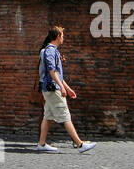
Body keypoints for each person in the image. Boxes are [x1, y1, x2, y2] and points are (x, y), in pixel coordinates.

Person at [36, 25, 96, 153]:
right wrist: (62, 87)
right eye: (62, 36)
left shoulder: (53, 51)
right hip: (52, 88)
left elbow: (57, 73)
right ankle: (80, 144)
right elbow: (52, 71)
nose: (63, 38)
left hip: (51, 87)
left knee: (48, 116)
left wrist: (68, 88)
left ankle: (41, 144)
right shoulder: (50, 51)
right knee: (65, 115)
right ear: (58, 36)